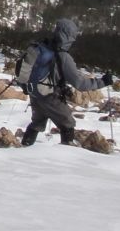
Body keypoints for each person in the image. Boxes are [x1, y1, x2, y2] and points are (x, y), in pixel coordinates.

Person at [22, 17, 113, 146]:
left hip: (34, 93)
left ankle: (24, 148)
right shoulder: (63, 56)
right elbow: (80, 83)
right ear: (68, 36)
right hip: (49, 95)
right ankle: (66, 153)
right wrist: (102, 82)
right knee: (68, 123)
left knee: (37, 123)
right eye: (73, 36)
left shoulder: (41, 47)